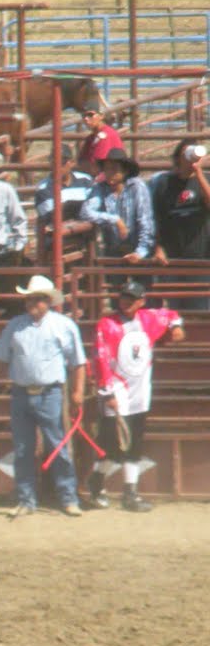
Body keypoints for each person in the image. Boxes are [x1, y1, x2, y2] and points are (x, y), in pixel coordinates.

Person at [0, 275, 87, 518]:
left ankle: (68, 497)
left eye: (37, 299)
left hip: (51, 393)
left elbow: (77, 362)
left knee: (58, 446)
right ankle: (27, 499)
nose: (32, 303)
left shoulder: (63, 325)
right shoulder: (15, 326)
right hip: (21, 393)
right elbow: (1, 359)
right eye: (29, 299)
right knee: (23, 448)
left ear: (48, 301)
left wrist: (78, 391)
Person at [85, 281, 185, 512]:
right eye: (124, 297)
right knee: (111, 445)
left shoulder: (148, 319)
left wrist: (177, 327)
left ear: (141, 301)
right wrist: (107, 392)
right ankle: (97, 480)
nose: (126, 302)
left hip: (140, 391)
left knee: (134, 444)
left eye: (132, 298)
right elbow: (100, 359)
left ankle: (130, 492)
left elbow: (170, 315)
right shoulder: (107, 324)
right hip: (117, 390)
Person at [82, 148, 159, 282]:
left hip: (138, 248)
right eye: (107, 169)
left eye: (114, 169)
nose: (110, 173)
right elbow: (86, 212)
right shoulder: (99, 188)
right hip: (114, 250)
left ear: (125, 171)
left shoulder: (137, 187)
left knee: (142, 293)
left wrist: (140, 253)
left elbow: (145, 222)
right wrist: (114, 219)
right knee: (115, 294)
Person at [150, 140, 210, 310]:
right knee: (174, 307)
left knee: (200, 306)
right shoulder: (164, 183)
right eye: (187, 154)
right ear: (178, 158)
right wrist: (158, 247)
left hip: (201, 255)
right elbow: (157, 217)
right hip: (172, 255)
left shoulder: (206, 180)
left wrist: (198, 173)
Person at [34, 144, 95, 249]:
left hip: (84, 234)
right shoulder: (43, 188)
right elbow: (50, 217)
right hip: (57, 239)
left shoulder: (86, 180)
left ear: (71, 163)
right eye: (53, 161)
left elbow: (94, 208)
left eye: (61, 162)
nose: (57, 166)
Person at [78, 108, 122, 176]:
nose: (86, 118)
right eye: (84, 115)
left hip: (106, 179)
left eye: (90, 115)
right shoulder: (91, 137)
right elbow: (81, 161)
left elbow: (98, 167)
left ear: (101, 116)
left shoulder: (106, 135)